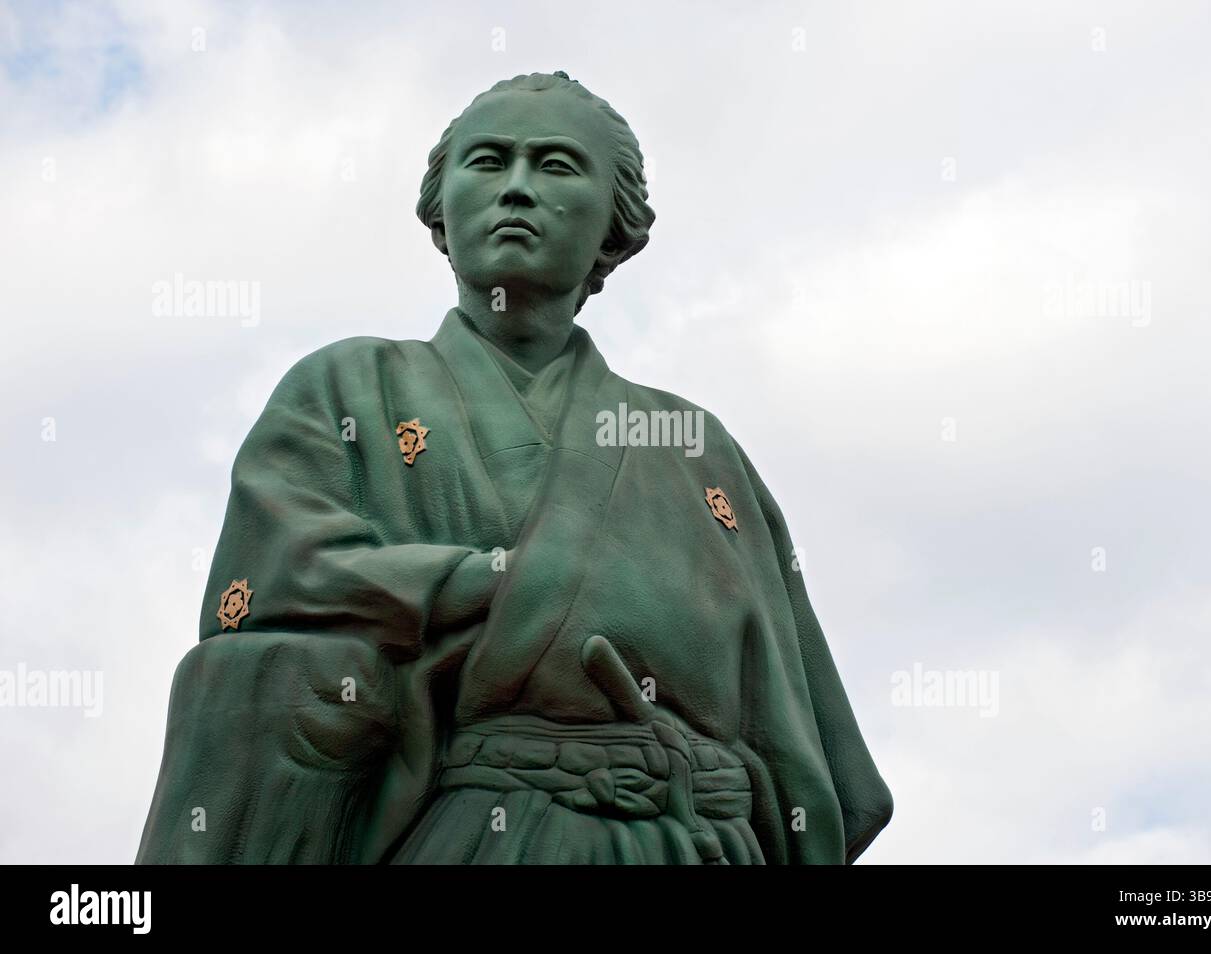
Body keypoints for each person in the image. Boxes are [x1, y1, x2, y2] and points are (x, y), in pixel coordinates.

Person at [137, 71, 892, 864]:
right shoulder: (350, 389)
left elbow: (803, 748)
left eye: (558, 166)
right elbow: (268, 594)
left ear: (615, 223)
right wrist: (500, 585)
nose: (519, 189)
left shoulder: (693, 445)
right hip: (474, 832)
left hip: (696, 840)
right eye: (489, 162)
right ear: (439, 208)